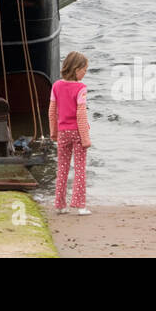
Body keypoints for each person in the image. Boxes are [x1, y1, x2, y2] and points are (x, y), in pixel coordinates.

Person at [48, 50, 91, 215]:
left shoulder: (56, 86)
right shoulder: (81, 88)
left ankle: (59, 205)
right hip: (78, 133)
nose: (85, 73)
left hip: (63, 132)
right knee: (80, 168)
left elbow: (52, 111)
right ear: (76, 69)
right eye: (84, 70)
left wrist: (54, 133)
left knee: (62, 167)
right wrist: (85, 138)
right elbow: (81, 114)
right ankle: (80, 206)